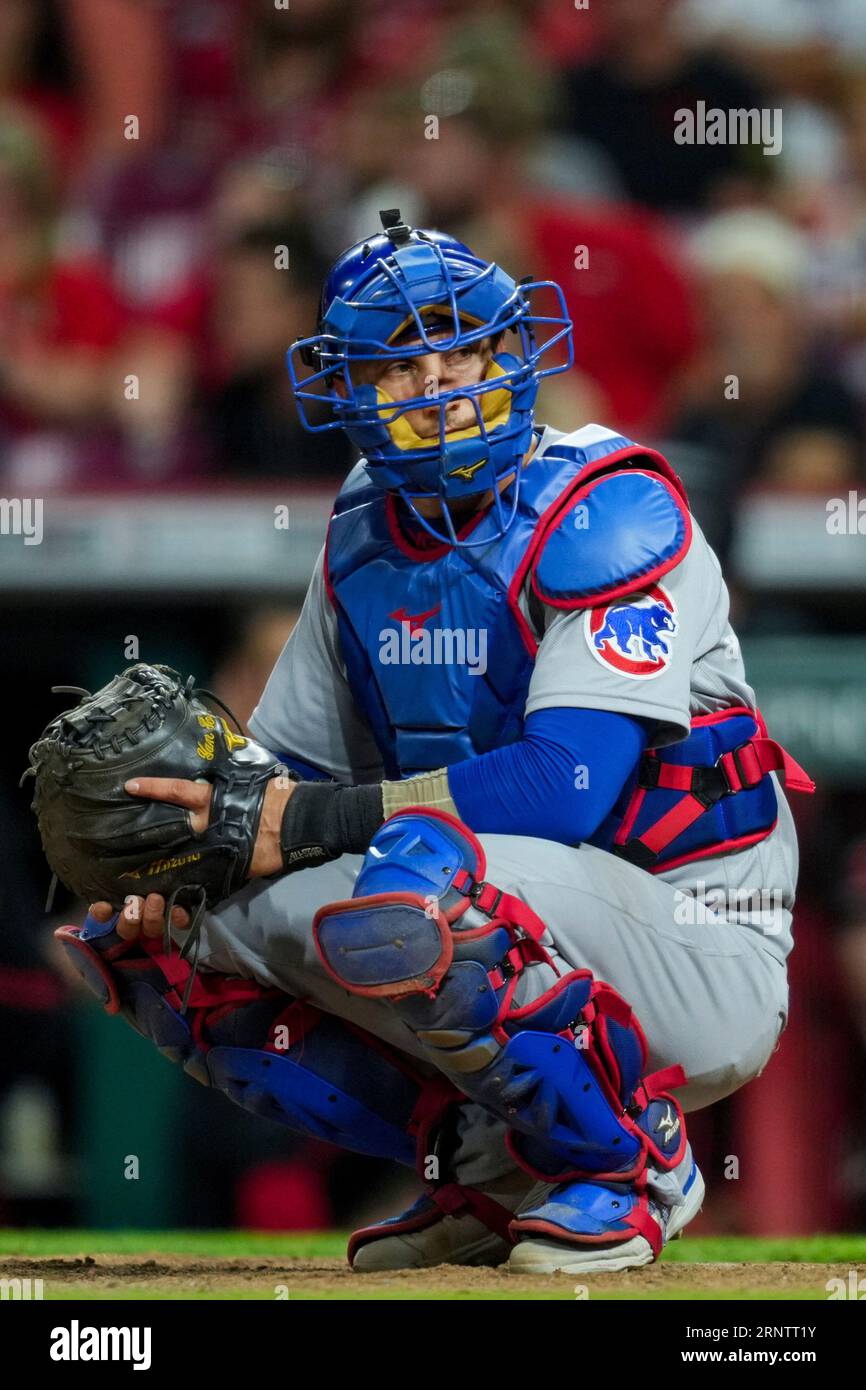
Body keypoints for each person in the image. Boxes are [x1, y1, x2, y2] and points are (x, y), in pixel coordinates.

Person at [79, 212, 813, 1273]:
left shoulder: (605, 507)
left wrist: (315, 821)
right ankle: (489, 1166)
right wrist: (174, 840)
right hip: (513, 908)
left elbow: (565, 786)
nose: (442, 384)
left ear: (511, 354)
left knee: (416, 875)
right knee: (188, 934)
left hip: (694, 936)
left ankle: (628, 1164)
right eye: (401, 366)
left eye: (463, 349)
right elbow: (291, 780)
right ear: (352, 392)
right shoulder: (363, 526)